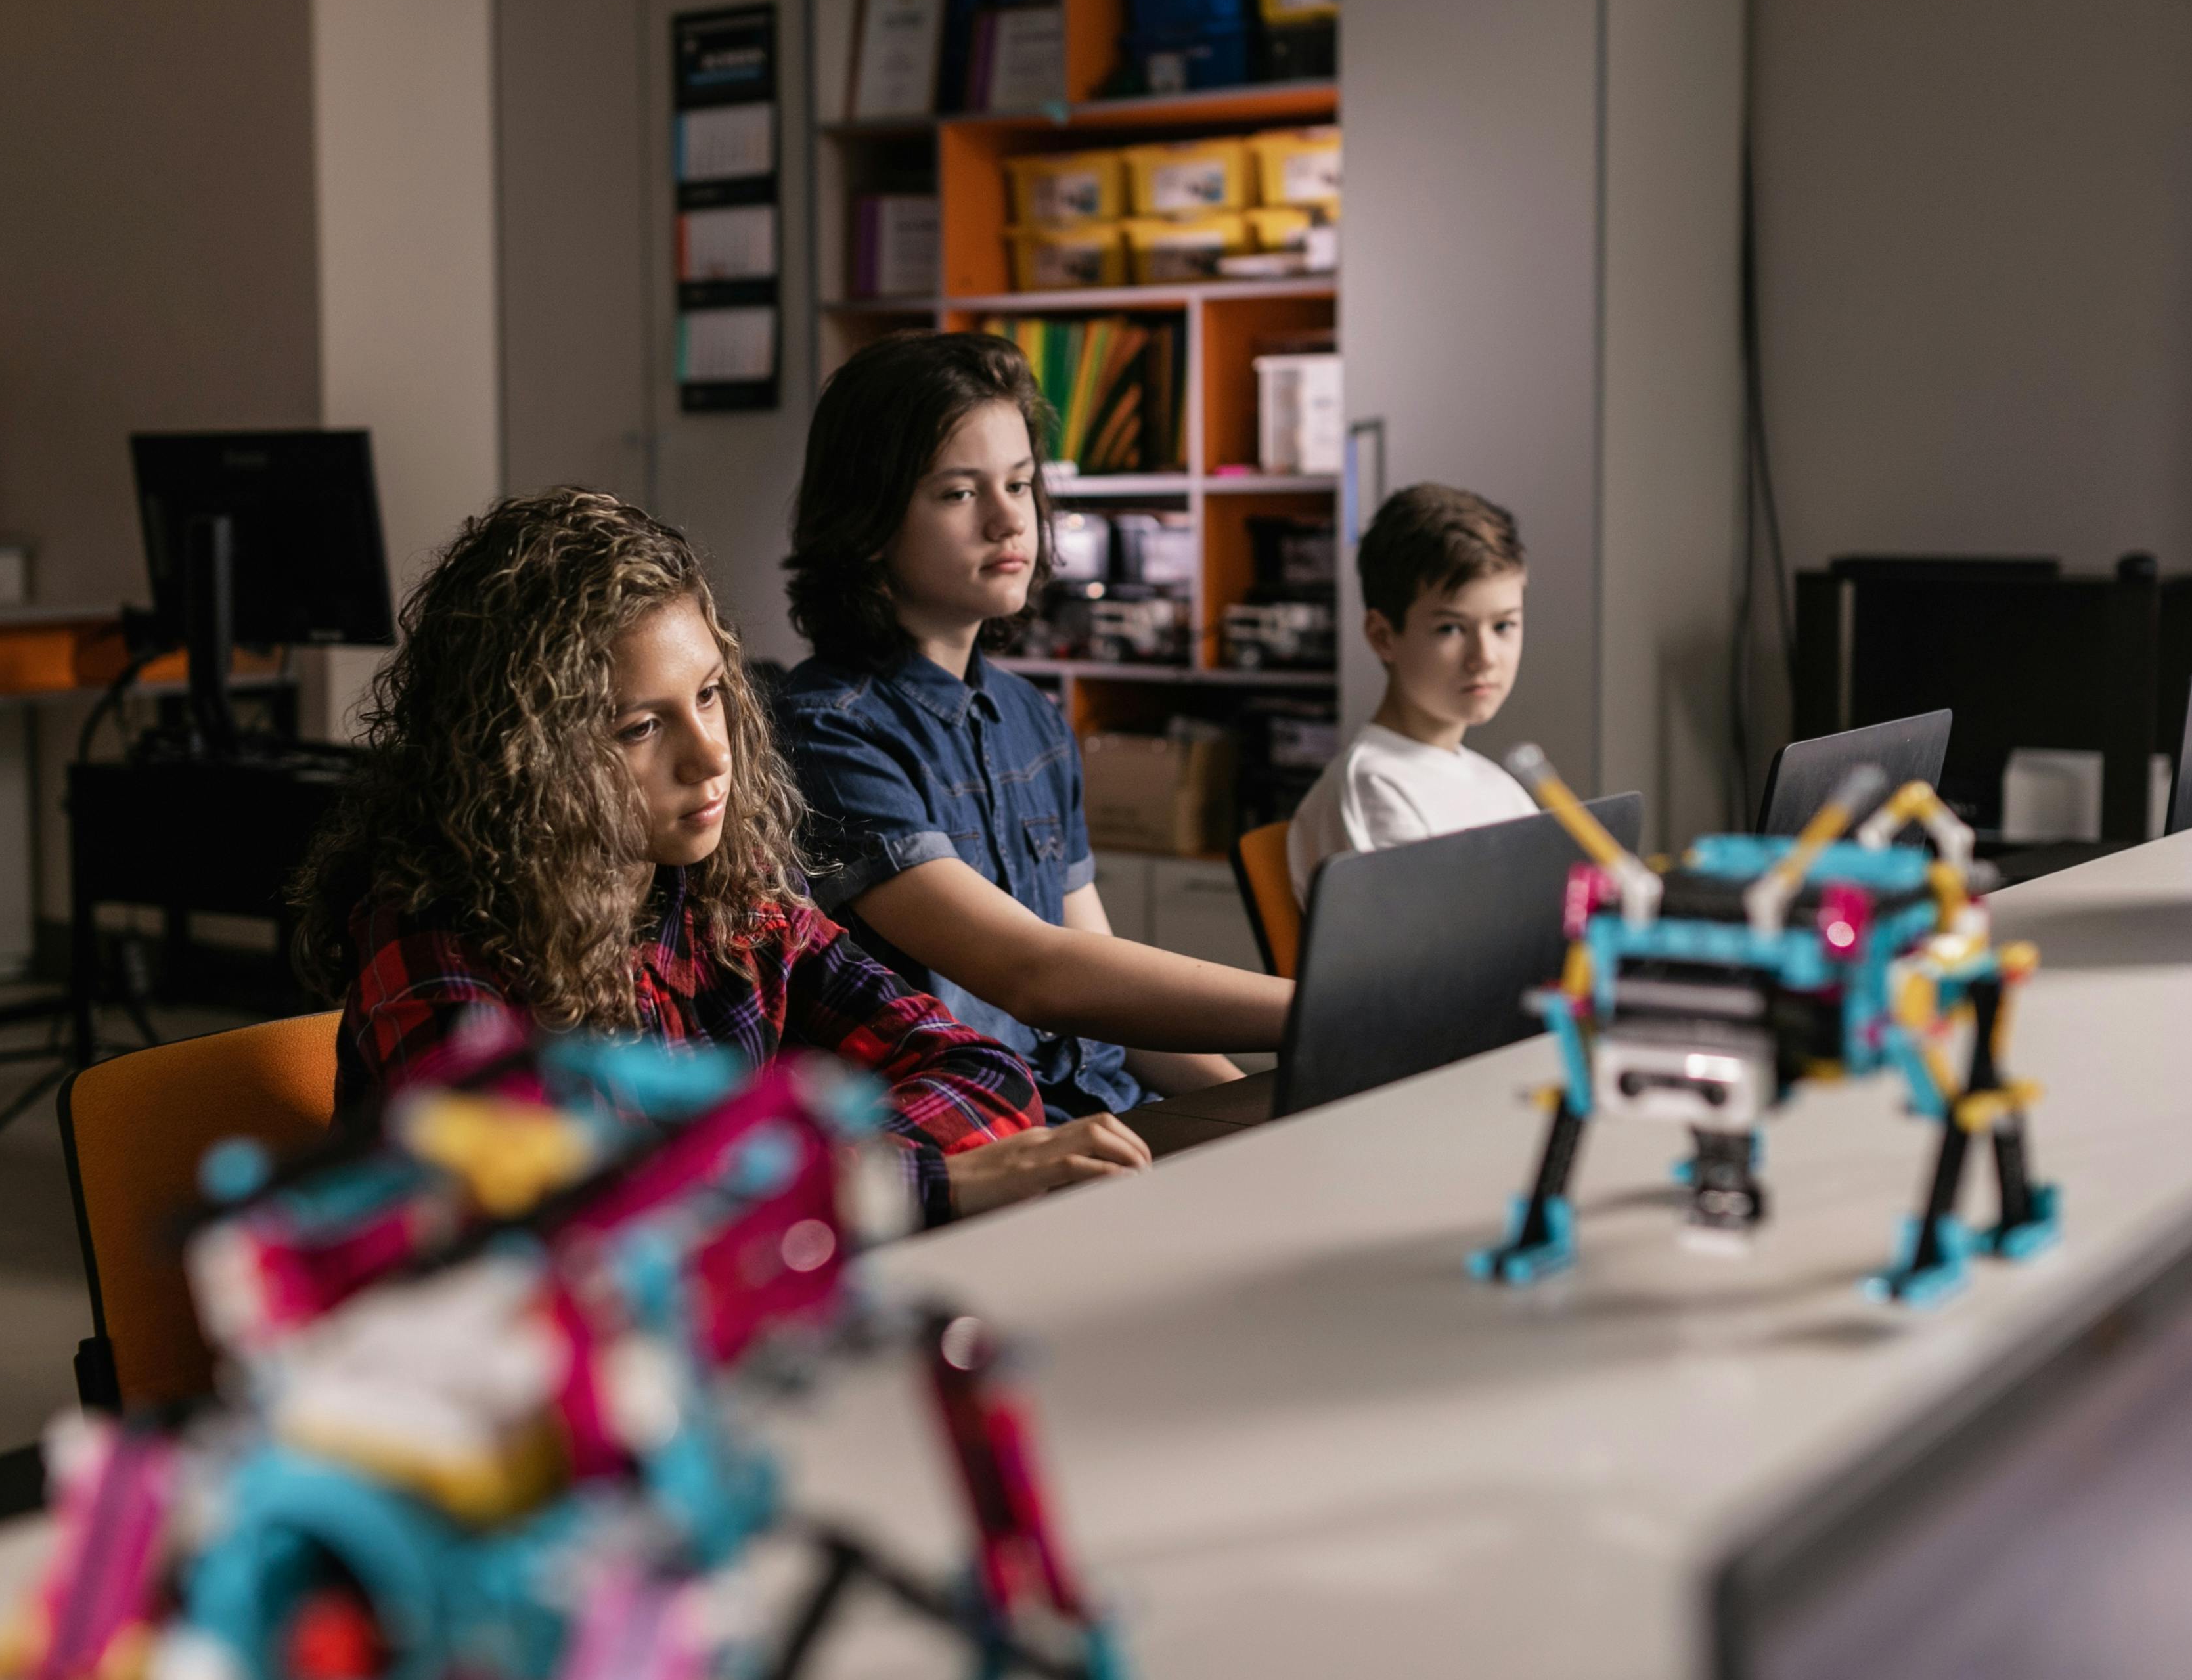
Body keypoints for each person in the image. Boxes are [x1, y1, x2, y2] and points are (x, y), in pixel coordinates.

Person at [289, 488, 1150, 1222]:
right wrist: (905, 1182)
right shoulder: (433, 938)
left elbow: (984, 1072)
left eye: (708, 695)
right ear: (521, 755)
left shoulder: (725, 900)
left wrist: (792, 1190)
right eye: (641, 726)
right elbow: (564, 1224)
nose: (711, 757)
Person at [776, 331, 1291, 1119]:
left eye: (1019, 484)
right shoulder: (825, 732)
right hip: (992, 1141)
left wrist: (1260, 1107)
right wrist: (1321, 1006)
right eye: (958, 493)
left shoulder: (1032, 719)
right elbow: (1038, 974)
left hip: (1102, 1109)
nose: (1007, 521)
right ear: (868, 520)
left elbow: (1104, 984)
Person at [1287, 483, 1538, 902]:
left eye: (1503, 626)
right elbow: (1431, 963)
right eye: (1451, 629)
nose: (1485, 657)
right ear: (1384, 637)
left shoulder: (1499, 787)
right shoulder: (1375, 788)